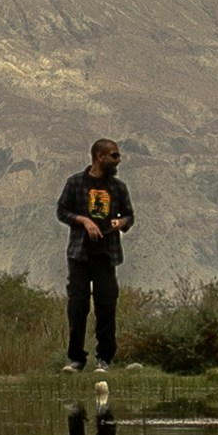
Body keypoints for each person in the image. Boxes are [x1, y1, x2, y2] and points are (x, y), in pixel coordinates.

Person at [54, 139, 132, 374]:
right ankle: (76, 359)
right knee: (77, 307)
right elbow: (62, 211)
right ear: (99, 157)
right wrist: (84, 221)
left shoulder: (118, 187)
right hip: (79, 255)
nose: (118, 160)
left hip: (106, 256)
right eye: (114, 156)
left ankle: (104, 359)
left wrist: (121, 222)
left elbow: (130, 216)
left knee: (106, 307)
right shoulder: (76, 182)